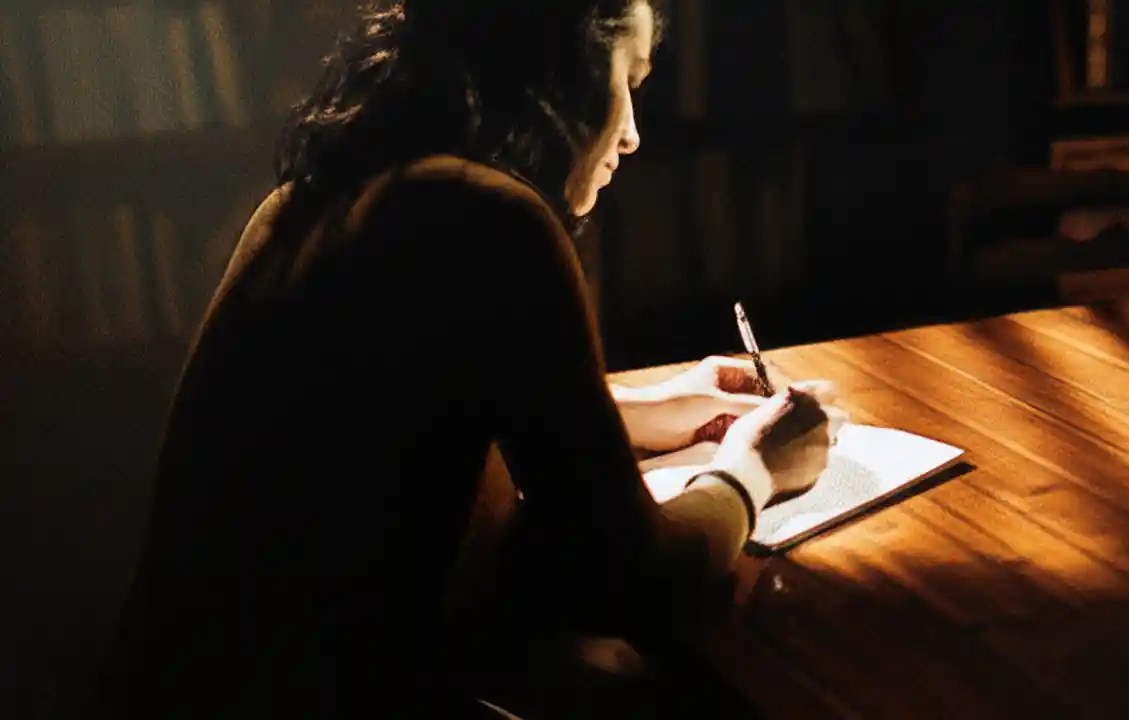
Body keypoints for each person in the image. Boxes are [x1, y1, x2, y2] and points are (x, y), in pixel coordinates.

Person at [99, 0, 840, 716]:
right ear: (565, 66)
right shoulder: (490, 217)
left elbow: (401, 421)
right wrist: (754, 469)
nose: (634, 135)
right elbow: (639, 582)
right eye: (630, 80)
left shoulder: (309, 201)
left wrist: (655, 411)